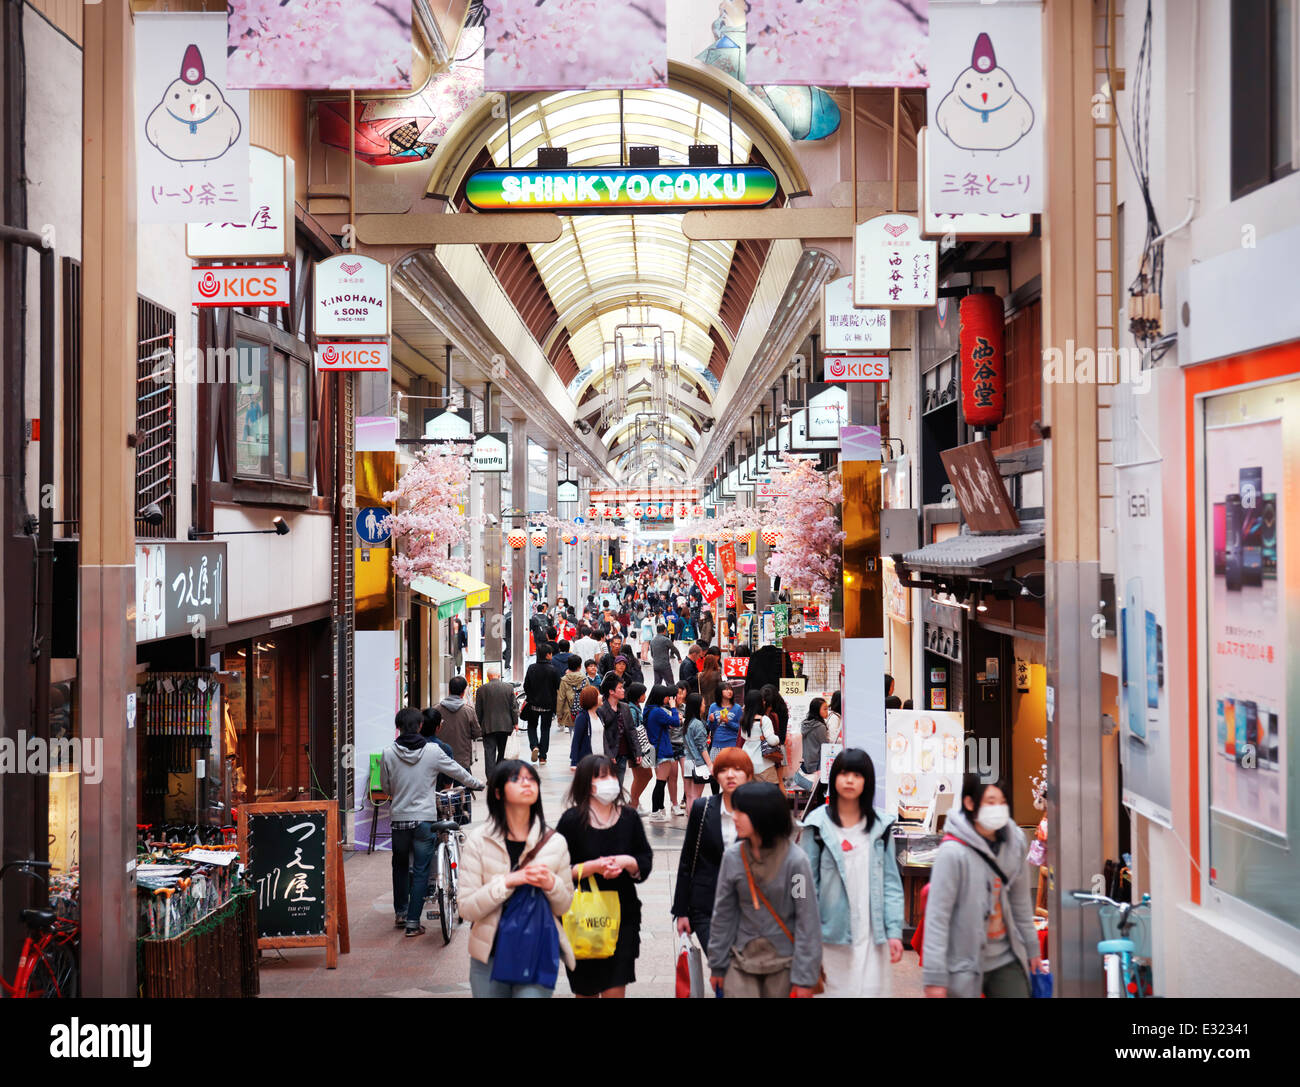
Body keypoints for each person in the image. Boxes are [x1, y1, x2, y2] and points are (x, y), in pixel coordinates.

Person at [458, 760, 575, 997]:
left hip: (536, 951)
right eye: (516, 779)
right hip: (489, 955)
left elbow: (564, 905)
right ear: (498, 793)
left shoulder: (554, 842)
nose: (526, 783)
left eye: (531, 779)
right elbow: (467, 909)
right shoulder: (479, 840)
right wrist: (510, 881)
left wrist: (551, 884)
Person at [922, 776, 1041, 998]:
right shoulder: (952, 852)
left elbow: (1021, 904)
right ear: (969, 803)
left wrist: (1033, 949)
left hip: (1005, 957)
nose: (998, 808)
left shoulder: (1013, 842)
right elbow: (938, 918)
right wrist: (934, 977)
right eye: (990, 802)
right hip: (962, 962)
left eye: (1002, 802)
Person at [799, 749, 904, 997]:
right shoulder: (816, 825)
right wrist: (804, 933)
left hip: (872, 935)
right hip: (829, 936)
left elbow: (891, 883)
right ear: (833, 777)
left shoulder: (881, 826)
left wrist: (894, 931)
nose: (849, 780)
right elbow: (802, 884)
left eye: (857, 775)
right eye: (844, 773)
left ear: (867, 781)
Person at [708, 782, 822, 998]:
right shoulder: (732, 858)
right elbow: (723, 914)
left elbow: (806, 918)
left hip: (784, 968)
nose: (734, 816)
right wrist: (717, 964)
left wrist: (805, 977)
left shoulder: (796, 862)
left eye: (741, 811)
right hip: (740, 964)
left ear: (762, 815)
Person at [380, 708, 484, 937]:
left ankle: (401, 912)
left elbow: (386, 787)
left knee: (399, 865)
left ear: (398, 727)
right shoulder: (433, 751)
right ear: (419, 726)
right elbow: (457, 771)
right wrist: (477, 784)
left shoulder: (388, 753)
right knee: (420, 870)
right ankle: (413, 923)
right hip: (425, 820)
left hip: (399, 819)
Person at [558, 755, 655, 997]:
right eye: (601, 777)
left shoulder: (629, 818)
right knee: (586, 989)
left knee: (615, 988)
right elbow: (557, 872)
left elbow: (644, 860)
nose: (610, 781)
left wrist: (626, 862)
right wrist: (592, 867)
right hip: (580, 918)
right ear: (585, 783)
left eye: (611, 775)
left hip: (623, 916)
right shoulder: (571, 821)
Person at [643, 685, 681, 823]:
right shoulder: (658, 711)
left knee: (661, 781)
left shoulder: (649, 710)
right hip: (663, 750)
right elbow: (676, 722)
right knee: (660, 782)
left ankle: (659, 808)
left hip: (655, 748)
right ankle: (655, 812)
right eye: (667, 697)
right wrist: (673, 708)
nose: (668, 699)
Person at [475, 670, 518, 782]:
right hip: (505, 725)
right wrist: (515, 723)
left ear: (488, 677)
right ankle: (500, 774)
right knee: (503, 752)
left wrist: (478, 725)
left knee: (489, 753)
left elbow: (478, 710)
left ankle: (491, 778)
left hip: (488, 726)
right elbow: (513, 708)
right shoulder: (508, 688)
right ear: (498, 676)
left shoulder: (481, 690)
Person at [435, 675, 482, 774]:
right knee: (462, 788)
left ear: (449, 690)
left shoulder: (436, 710)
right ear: (463, 692)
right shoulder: (468, 711)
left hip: (440, 758)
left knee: (440, 789)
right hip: (462, 760)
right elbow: (477, 733)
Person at [523, 643, 561, 765]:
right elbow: (558, 687)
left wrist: (531, 696)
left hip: (533, 704)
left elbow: (526, 686)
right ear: (548, 655)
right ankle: (543, 756)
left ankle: (534, 746)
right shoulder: (553, 670)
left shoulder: (531, 668)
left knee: (532, 726)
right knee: (545, 730)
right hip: (548, 706)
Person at [737, 688, 783, 786]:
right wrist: (778, 738)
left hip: (748, 762)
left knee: (752, 796)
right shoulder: (764, 719)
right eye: (762, 700)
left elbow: (743, 736)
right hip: (763, 764)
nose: (764, 702)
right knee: (771, 794)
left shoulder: (743, 720)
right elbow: (772, 741)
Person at [623, 681, 655, 810]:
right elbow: (632, 732)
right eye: (643, 694)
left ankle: (634, 802)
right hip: (636, 750)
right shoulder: (632, 710)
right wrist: (636, 752)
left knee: (642, 776)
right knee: (646, 775)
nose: (645, 696)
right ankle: (633, 803)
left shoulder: (635, 708)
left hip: (638, 749)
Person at [680, 692, 714, 807]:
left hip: (688, 761)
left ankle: (690, 822)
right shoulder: (698, 724)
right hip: (698, 763)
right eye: (703, 703)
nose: (705, 706)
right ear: (698, 706)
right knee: (696, 797)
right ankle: (694, 823)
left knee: (689, 796)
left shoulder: (687, 723)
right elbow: (702, 747)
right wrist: (710, 764)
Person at [791, 697, 830, 792]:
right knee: (822, 792)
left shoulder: (805, 724)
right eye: (824, 709)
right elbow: (825, 747)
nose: (827, 711)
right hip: (817, 764)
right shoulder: (820, 727)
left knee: (816, 792)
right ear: (817, 710)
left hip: (807, 763)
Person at [569, 684, 604, 767]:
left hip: (601, 758)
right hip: (588, 761)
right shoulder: (582, 717)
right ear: (592, 698)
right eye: (598, 694)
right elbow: (576, 740)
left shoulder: (599, 713)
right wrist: (574, 762)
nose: (601, 696)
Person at [556, 654, 587, 736]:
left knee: (572, 735)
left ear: (568, 666)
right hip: (582, 712)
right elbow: (588, 695)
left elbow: (561, 698)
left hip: (569, 713)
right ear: (580, 666)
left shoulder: (564, 680)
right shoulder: (584, 679)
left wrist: (559, 714)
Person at [707, 684, 741, 754]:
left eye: (731, 689)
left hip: (732, 744)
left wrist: (728, 722)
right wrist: (711, 721)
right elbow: (710, 728)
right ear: (719, 692)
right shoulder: (713, 706)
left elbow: (741, 729)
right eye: (726, 689)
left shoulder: (737, 708)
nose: (730, 691)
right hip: (716, 744)